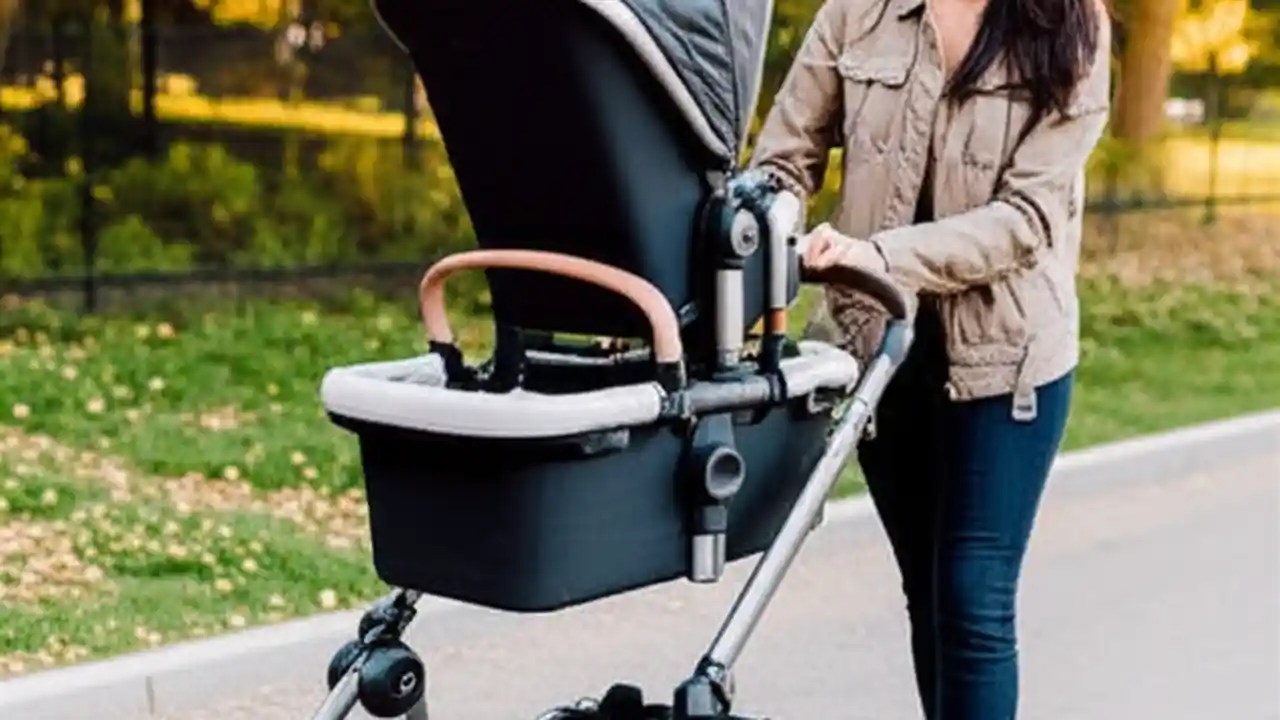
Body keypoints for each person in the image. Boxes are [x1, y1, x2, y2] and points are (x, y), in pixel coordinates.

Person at [749, 0, 1112, 717]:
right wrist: (765, 227)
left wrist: (876, 257)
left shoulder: (1073, 21)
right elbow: (783, 162)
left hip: (1009, 359)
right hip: (882, 353)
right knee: (929, 593)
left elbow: (1029, 219)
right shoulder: (857, 13)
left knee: (973, 599)